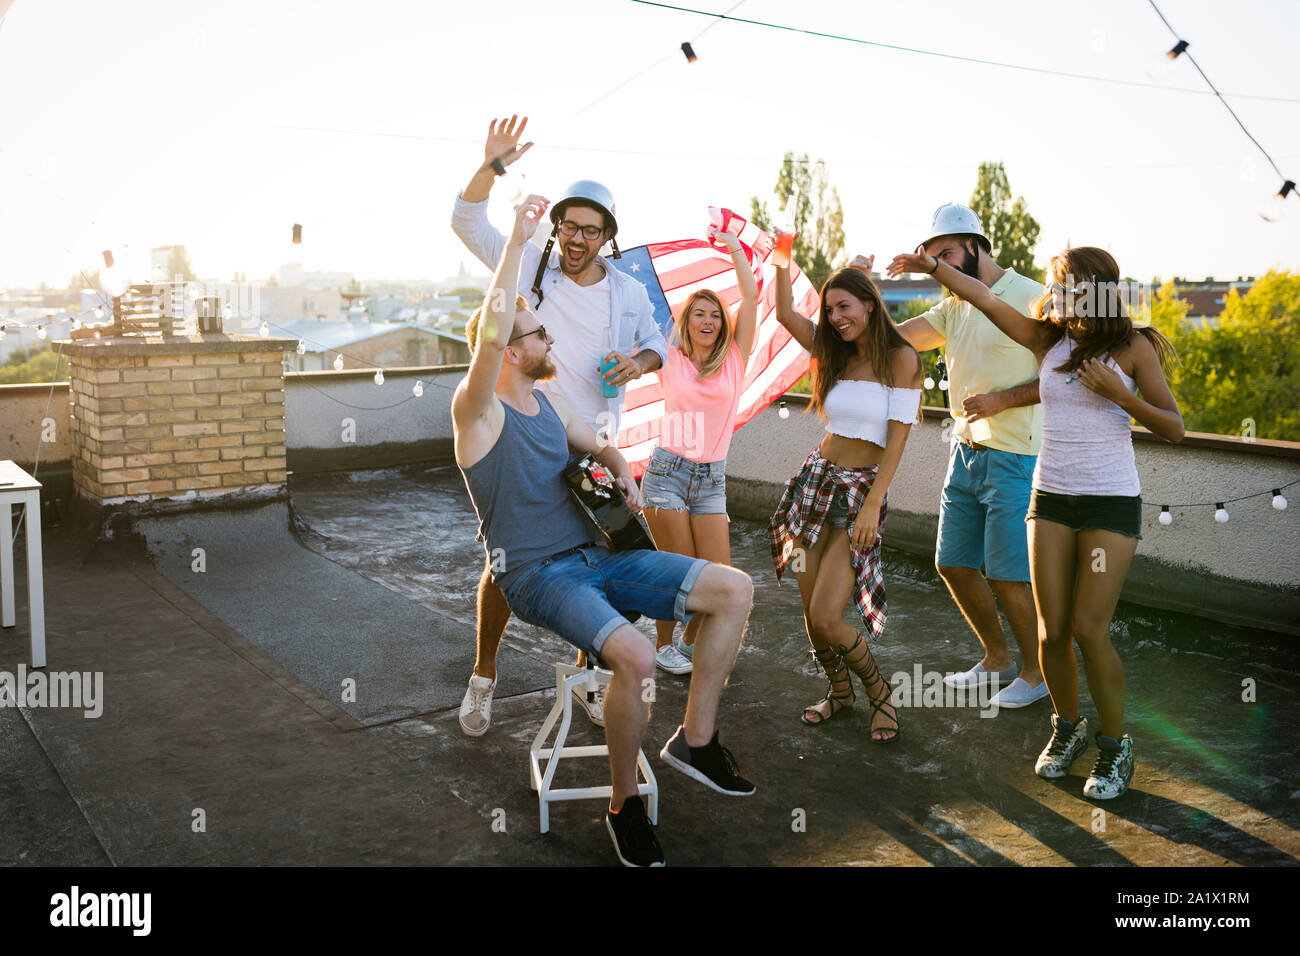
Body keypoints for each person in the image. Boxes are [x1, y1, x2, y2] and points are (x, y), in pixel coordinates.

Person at [453, 195, 755, 865]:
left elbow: (597, 441)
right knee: (639, 657)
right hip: (537, 574)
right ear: (503, 346)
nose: (550, 338)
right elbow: (498, 316)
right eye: (535, 333)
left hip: (599, 554)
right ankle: (624, 808)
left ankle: (696, 740)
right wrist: (519, 242)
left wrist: (621, 469)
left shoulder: (549, 398)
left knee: (734, 589)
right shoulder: (477, 413)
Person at [886, 244, 1183, 799]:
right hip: (1049, 499)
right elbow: (982, 296)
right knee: (1052, 633)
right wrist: (934, 268)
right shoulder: (1049, 339)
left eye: (1066, 284)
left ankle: (1115, 749)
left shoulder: (1132, 347)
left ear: (1095, 288)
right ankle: (1066, 730)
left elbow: (1174, 428)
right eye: (1054, 284)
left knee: (1091, 631)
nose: (1056, 294)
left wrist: (1122, 395)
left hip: (1109, 502)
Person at [450, 116, 667, 735]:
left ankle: (594, 680)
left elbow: (658, 343)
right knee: (506, 560)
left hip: (592, 440)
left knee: (598, 559)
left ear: (607, 237)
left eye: (590, 231)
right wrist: (491, 166)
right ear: (558, 226)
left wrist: (637, 362)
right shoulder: (528, 271)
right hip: (522, 435)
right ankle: (484, 677)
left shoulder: (627, 291)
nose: (576, 239)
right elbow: (466, 222)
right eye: (569, 226)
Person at [852, 202, 1048, 711]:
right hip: (965, 451)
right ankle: (997, 658)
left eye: (947, 253)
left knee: (1008, 573)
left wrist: (1004, 400)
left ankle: (1036, 673)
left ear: (978, 246)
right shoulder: (953, 307)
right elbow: (892, 338)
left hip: (1015, 456)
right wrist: (860, 290)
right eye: (932, 255)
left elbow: (1060, 374)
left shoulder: (1029, 296)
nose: (939, 262)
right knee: (954, 563)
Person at [768, 263, 923, 742]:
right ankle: (839, 692)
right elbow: (784, 311)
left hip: (859, 494)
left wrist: (874, 505)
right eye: (830, 309)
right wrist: (783, 254)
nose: (835, 317)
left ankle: (880, 694)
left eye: (844, 307)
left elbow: (897, 442)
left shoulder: (902, 360)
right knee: (809, 606)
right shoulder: (832, 352)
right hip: (814, 484)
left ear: (870, 305)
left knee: (828, 616)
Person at [641, 228, 759, 675]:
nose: (708, 321)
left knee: (719, 578)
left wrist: (732, 246)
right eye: (699, 314)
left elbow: (750, 298)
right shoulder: (669, 358)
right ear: (686, 321)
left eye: (714, 315)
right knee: (676, 571)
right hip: (667, 473)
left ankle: (691, 644)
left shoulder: (734, 358)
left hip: (711, 479)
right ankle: (665, 644)